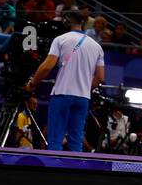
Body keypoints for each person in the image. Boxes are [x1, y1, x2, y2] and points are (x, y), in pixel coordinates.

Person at [24, 9, 105, 152]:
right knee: (76, 140)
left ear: (66, 21)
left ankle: (54, 172)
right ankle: (75, 173)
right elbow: (100, 78)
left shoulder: (61, 39)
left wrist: (32, 84)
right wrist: (85, 88)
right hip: (83, 98)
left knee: (55, 138)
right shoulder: (97, 46)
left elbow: (46, 67)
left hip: (62, 94)